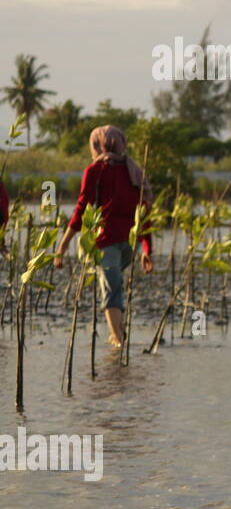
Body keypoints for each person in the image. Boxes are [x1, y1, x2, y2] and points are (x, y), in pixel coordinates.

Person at [53, 125, 155, 347]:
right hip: (131, 242)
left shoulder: (95, 171)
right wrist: (147, 249)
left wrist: (62, 246)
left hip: (105, 239)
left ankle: (118, 343)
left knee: (111, 288)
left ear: (97, 145)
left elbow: (81, 210)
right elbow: (145, 211)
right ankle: (117, 332)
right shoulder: (135, 170)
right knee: (114, 284)